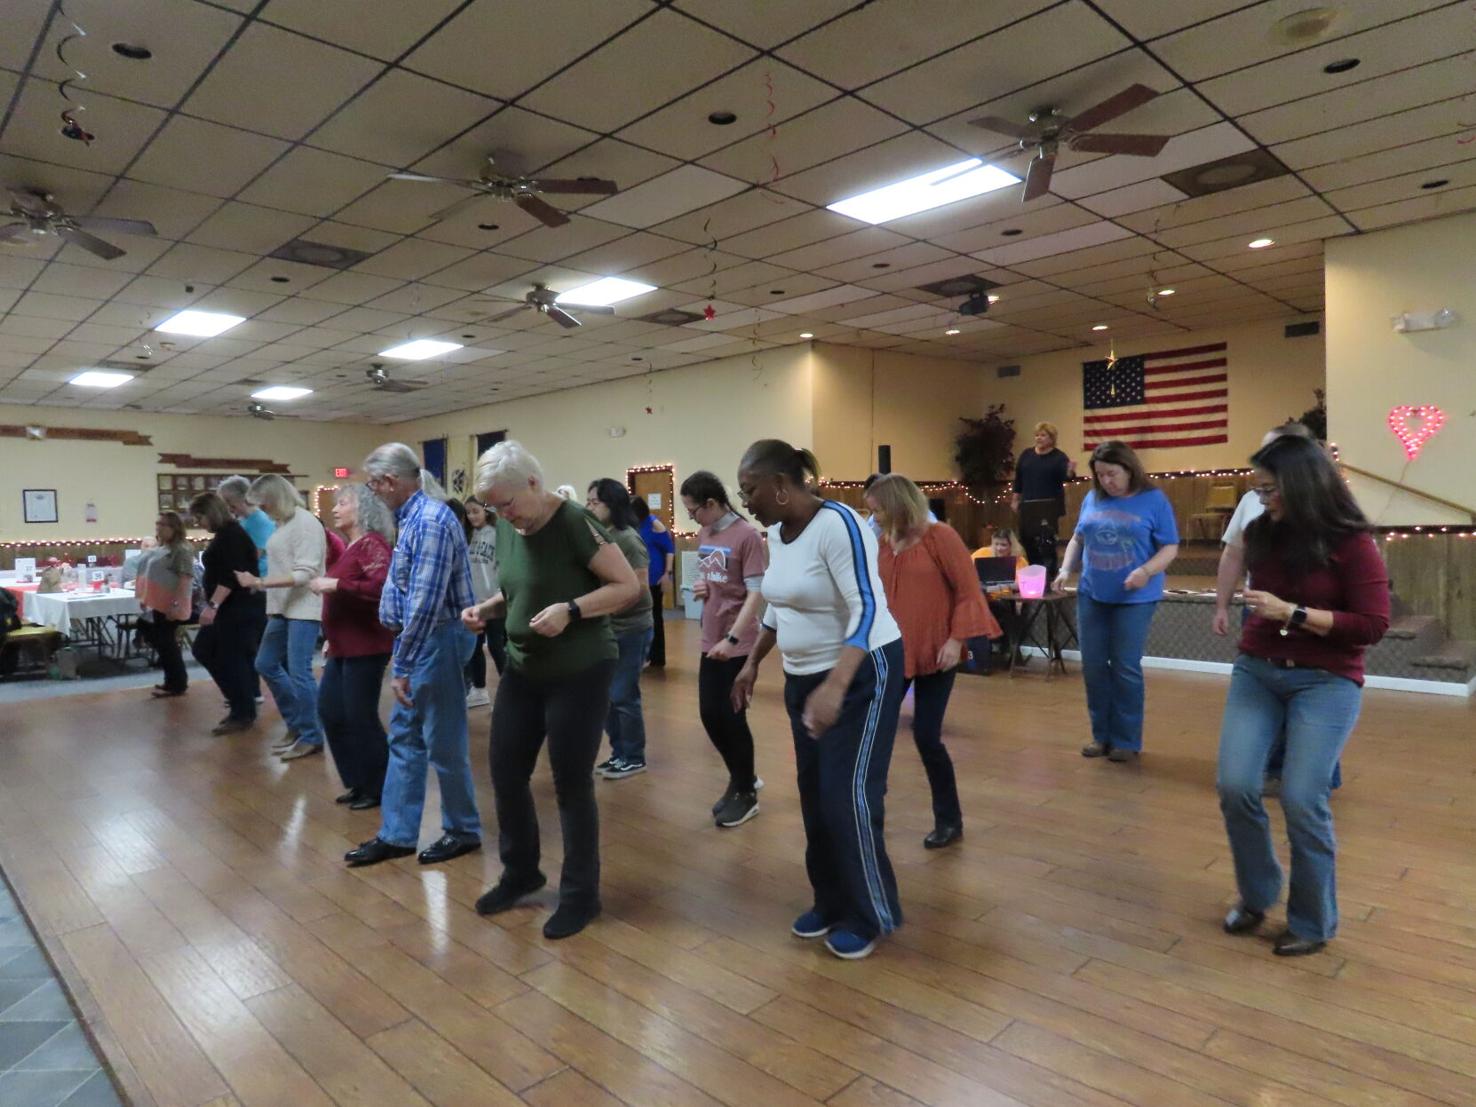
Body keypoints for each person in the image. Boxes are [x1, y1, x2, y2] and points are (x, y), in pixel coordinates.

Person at [731, 440, 905, 961]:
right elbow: (778, 605)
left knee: (847, 795)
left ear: (782, 487)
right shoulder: (776, 534)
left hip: (862, 671)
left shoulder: (839, 524)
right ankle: (830, 900)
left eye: (750, 491)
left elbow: (866, 606)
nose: (747, 502)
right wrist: (753, 660)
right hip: (803, 677)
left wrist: (836, 686)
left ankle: (871, 913)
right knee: (814, 792)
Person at [1216, 435, 1389, 957]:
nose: (1262, 497)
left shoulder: (1351, 542)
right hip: (1259, 671)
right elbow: (1236, 566)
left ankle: (1312, 921)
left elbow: (1373, 625)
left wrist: (1292, 612)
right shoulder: (1260, 531)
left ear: (1301, 485)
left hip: (1326, 679)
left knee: (1300, 797)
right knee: (1235, 784)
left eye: (1270, 488)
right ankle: (1258, 893)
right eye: (1258, 487)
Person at [464, 441, 640, 940]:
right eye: (494, 508)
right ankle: (522, 872)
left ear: (535, 485)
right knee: (506, 772)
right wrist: (489, 609)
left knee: (570, 782)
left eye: (508, 504)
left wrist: (573, 609)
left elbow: (628, 587)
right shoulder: (509, 526)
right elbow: (520, 588)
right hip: (524, 668)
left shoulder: (575, 523)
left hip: (580, 670)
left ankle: (581, 896)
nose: (502, 515)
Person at [344, 443, 482, 870]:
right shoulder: (409, 519)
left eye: (373, 485)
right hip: (422, 641)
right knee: (404, 738)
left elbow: (424, 604)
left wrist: (401, 665)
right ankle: (398, 834)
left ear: (390, 482)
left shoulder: (431, 521)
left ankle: (462, 829)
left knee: (442, 742)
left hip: (435, 641)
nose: (372, 493)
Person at [867, 475, 999, 849]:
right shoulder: (882, 544)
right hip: (894, 651)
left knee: (926, 736)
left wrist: (957, 641)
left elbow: (968, 592)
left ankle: (949, 820)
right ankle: (870, 810)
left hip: (939, 650)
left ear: (896, 506)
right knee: (876, 732)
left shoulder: (940, 537)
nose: (873, 517)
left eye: (877, 510)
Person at [1213, 422, 1341, 796]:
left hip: (1314, 618)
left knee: (1317, 701)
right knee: (1266, 695)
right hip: (1261, 612)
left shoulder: (1327, 504)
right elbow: (1233, 552)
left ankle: (1319, 775)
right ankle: (1272, 768)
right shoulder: (1253, 501)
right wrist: (1221, 603)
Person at [1054, 441, 1179, 763]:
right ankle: (1101, 735)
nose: (1106, 481)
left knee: (1124, 666)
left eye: (1112, 474)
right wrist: (1066, 569)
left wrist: (1146, 570)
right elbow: (1078, 539)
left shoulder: (1154, 500)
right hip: (1092, 593)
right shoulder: (1092, 498)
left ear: (1128, 468)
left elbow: (1169, 548)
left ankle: (1126, 739)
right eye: (1100, 475)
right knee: (1094, 667)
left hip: (1135, 596)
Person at [680, 470, 767, 827]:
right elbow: (712, 578)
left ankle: (745, 790)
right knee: (710, 714)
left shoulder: (746, 536)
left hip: (737, 640)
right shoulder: (707, 532)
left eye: (693, 510)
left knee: (730, 716)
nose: (692, 518)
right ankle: (740, 777)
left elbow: (755, 593)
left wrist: (732, 638)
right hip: (710, 635)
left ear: (712, 504)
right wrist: (702, 587)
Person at [310, 484, 395, 810]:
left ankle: (379, 786)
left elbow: (381, 586)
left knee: (359, 715)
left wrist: (336, 584)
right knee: (331, 711)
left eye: (343, 502)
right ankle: (358, 781)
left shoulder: (372, 545)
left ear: (364, 509)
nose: (336, 508)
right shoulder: (353, 546)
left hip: (366, 644)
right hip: (345, 645)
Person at [234, 475, 327, 762]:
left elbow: (304, 574)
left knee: (299, 671)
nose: (263, 510)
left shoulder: (305, 523)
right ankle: (297, 726)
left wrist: (259, 583)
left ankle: (311, 736)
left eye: (265, 503)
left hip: (303, 607)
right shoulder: (283, 523)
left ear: (277, 498)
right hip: (283, 607)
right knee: (265, 663)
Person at [587, 479, 654, 779]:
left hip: (631, 628)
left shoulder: (627, 538)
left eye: (594, 502)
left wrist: (608, 609)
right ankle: (618, 752)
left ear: (611, 505)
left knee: (623, 694)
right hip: (608, 627)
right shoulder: (603, 536)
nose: (589, 507)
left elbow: (639, 586)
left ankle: (633, 755)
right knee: (606, 695)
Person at [188, 492, 260, 735]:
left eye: (199, 517)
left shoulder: (231, 535)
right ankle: (239, 705)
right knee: (208, 651)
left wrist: (213, 606)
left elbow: (232, 576)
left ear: (210, 513)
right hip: (230, 608)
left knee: (228, 657)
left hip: (236, 608)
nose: (198, 523)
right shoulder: (227, 534)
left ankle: (243, 711)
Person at [219, 475, 273, 701]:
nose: (228, 508)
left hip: (258, 589)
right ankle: (250, 690)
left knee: (252, 643)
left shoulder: (259, 521)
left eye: (229, 502)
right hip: (246, 587)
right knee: (244, 644)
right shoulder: (243, 522)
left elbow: (254, 556)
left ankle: (255, 691)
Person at [138, 512, 194, 699]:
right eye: (157, 524)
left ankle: (177, 683)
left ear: (174, 528)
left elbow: (185, 578)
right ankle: (171, 680)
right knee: (160, 640)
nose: (159, 528)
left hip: (171, 602)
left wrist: (176, 604)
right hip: (157, 602)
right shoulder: (163, 548)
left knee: (167, 643)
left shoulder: (182, 549)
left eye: (163, 525)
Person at [1012, 422, 1075, 577]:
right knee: (1027, 539)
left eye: (1043, 435)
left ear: (1051, 438)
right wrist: (1015, 499)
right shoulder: (1026, 454)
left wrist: (1070, 471)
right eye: (1037, 435)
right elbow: (1018, 479)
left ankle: (1050, 576)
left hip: (1049, 506)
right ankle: (1035, 573)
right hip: (1028, 505)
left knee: (1047, 542)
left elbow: (1066, 477)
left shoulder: (1059, 457)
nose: (1038, 438)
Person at [464, 496, 506, 706]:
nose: (472, 516)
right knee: (474, 647)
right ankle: (479, 689)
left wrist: (500, 594)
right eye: (469, 512)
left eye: (476, 511)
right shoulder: (469, 535)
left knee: (497, 647)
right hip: (475, 600)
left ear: (486, 511)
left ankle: (510, 690)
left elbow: (502, 566)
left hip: (494, 601)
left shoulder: (497, 534)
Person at [632, 497, 675, 668]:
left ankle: (656, 657)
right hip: (640, 576)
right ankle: (645, 655)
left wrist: (668, 574)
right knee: (642, 617)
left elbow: (669, 549)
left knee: (654, 617)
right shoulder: (633, 525)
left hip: (655, 576)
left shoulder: (654, 524)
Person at [863, 472, 934, 540]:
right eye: (873, 510)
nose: (875, 517)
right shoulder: (874, 524)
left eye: (877, 510)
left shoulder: (928, 522)